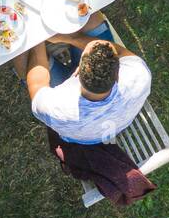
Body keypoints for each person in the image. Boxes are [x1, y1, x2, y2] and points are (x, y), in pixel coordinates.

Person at [14, 13, 151, 145]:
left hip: (82, 132)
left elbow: (37, 83)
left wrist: (38, 35)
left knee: (23, 55)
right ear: (118, 73)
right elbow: (118, 51)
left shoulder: (57, 110)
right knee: (91, 17)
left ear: (77, 71)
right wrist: (71, 38)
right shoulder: (139, 75)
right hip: (107, 120)